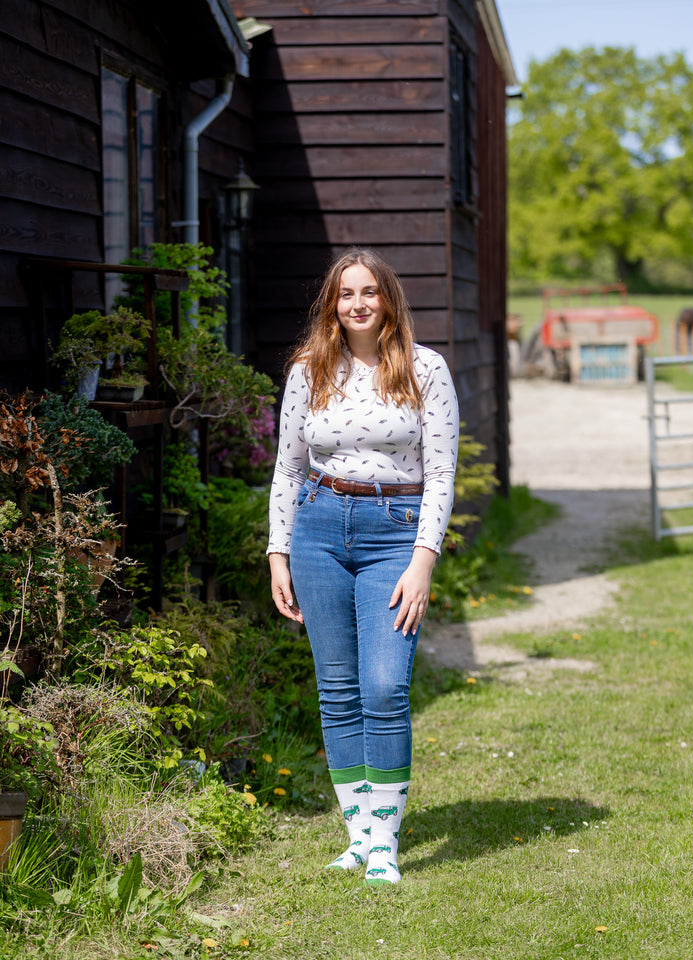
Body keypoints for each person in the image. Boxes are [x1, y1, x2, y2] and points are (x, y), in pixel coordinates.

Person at [267, 248, 459, 885]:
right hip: (317, 528)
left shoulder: (425, 369)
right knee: (339, 691)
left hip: (394, 535)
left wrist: (424, 561)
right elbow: (289, 468)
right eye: (345, 293)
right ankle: (362, 837)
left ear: (388, 300)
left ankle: (386, 838)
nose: (357, 303)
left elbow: (441, 476)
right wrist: (278, 550)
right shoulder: (308, 370)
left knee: (384, 686)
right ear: (332, 304)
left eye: (369, 292)